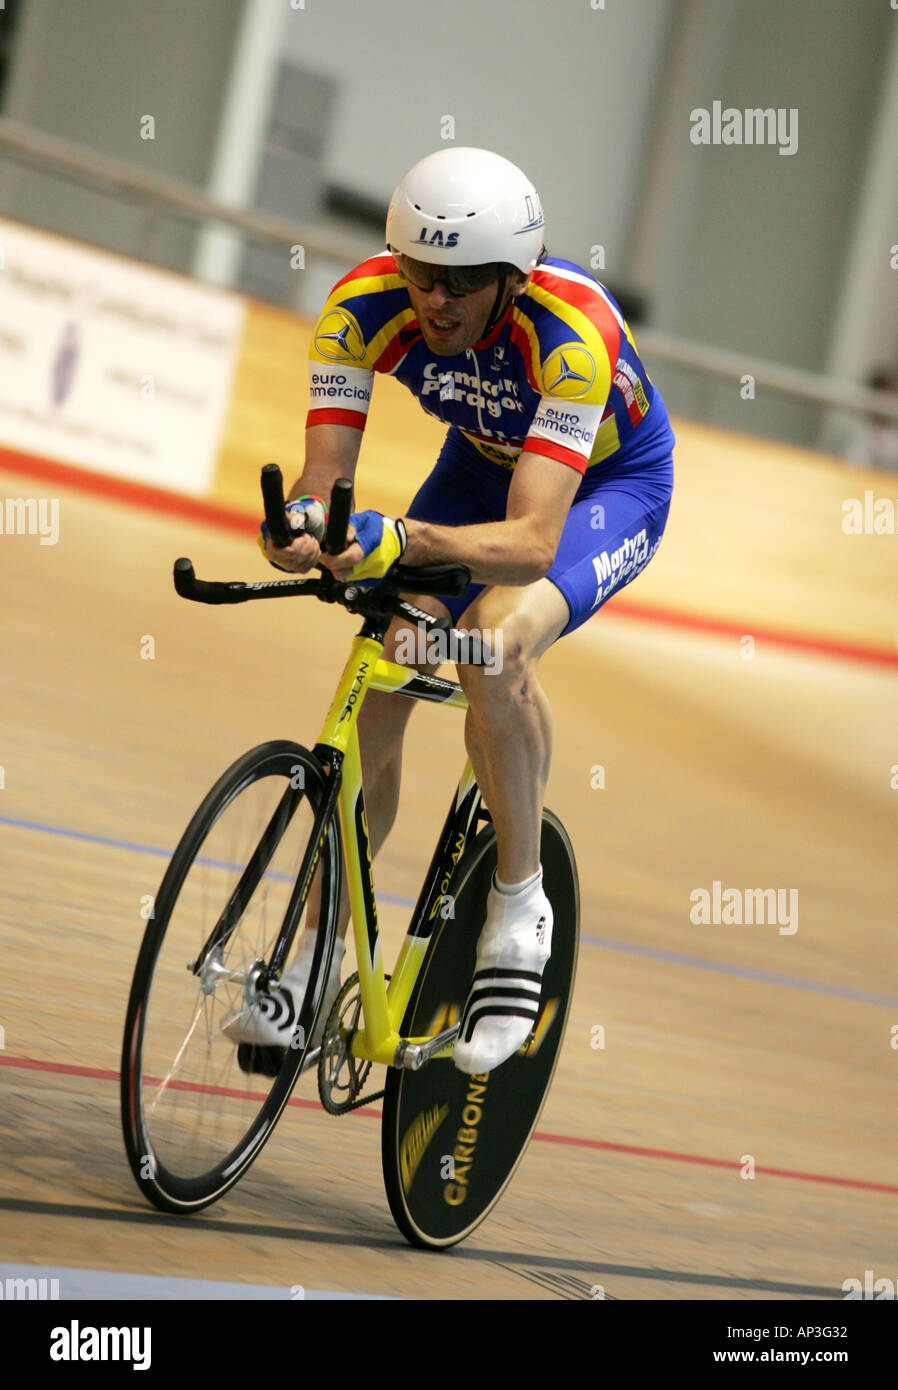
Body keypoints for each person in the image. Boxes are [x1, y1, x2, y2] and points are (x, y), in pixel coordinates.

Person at [228, 146, 675, 1074]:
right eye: (423, 273)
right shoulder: (361, 308)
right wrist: (303, 530)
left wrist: (403, 542)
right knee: (390, 656)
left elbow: (530, 544)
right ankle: (312, 952)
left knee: (488, 648)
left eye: (464, 281)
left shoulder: (570, 333)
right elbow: (325, 483)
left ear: (511, 281)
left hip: (605, 487)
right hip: (477, 464)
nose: (436, 299)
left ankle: (519, 909)